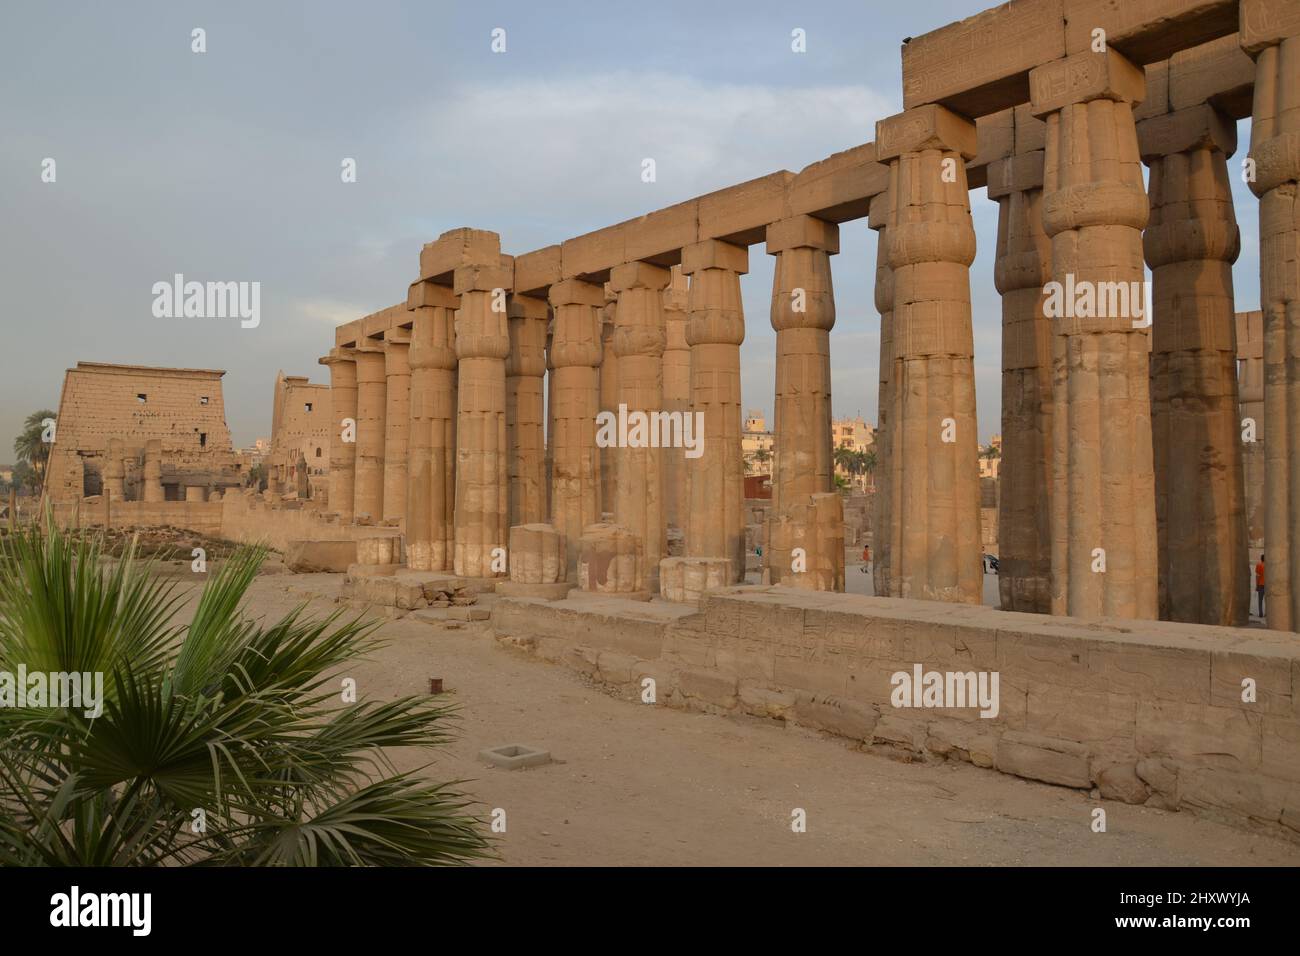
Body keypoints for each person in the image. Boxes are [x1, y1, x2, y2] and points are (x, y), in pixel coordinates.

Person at [1255, 553, 1265, 619]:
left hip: (1261, 585)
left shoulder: (1259, 565)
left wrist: (1257, 585)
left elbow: (1257, 576)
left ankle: (1260, 613)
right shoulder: (1269, 565)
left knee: (1260, 600)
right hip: (1267, 585)